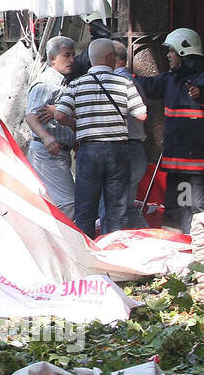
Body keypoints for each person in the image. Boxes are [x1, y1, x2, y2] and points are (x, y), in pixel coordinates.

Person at [52, 38, 147, 238]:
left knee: (85, 209)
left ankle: (85, 255)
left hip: (89, 151)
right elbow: (141, 115)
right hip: (118, 152)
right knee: (116, 210)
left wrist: (81, 123)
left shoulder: (76, 84)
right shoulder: (125, 83)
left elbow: (59, 115)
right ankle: (113, 253)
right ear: (110, 58)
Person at [133, 27, 204, 233]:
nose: (168, 55)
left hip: (198, 163)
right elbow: (147, 85)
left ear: (183, 52)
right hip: (176, 161)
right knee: (173, 208)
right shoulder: (171, 79)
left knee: (200, 206)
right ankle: (176, 248)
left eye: (171, 51)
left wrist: (198, 93)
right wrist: (123, 76)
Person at [24, 36, 79, 218]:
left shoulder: (63, 83)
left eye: (73, 55)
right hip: (47, 153)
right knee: (67, 202)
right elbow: (31, 116)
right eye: (67, 55)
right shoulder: (46, 83)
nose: (72, 60)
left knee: (60, 201)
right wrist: (46, 137)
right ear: (52, 58)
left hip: (60, 152)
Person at [112, 42, 148, 228]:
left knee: (118, 205)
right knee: (125, 205)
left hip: (127, 148)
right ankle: (147, 241)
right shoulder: (131, 81)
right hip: (135, 149)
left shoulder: (121, 83)